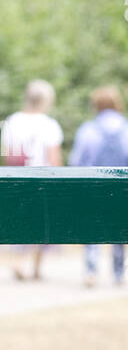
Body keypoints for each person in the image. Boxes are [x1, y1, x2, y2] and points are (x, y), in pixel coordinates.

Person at [68, 86, 128, 286]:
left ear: (96, 106)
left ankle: (91, 270)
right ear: (117, 104)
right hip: (122, 190)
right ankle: (119, 272)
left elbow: (76, 161)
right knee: (120, 228)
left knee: (92, 227)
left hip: (94, 190)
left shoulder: (87, 129)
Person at [1, 79, 64, 280]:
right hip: (42, 178)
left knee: (21, 220)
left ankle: (19, 263)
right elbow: (54, 158)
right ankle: (36, 267)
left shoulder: (12, 121)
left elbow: (8, 155)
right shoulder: (49, 124)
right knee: (42, 220)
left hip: (18, 178)